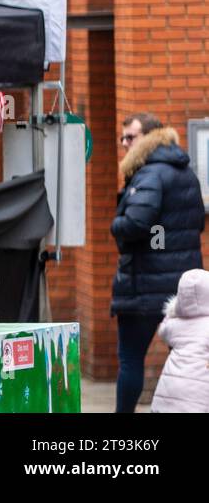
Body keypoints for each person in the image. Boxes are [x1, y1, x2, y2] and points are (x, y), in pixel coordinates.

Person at [111, 113, 205, 412]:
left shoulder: (150, 174)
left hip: (145, 285)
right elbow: (190, 226)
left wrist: (118, 226)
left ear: (150, 137)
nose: (125, 143)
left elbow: (140, 224)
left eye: (131, 137)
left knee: (130, 358)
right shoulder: (185, 170)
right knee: (188, 360)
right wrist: (160, 238)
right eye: (122, 137)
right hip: (180, 290)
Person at [150, 268, 209, 413]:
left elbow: (163, 330)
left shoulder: (175, 324)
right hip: (198, 398)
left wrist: (174, 310)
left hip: (169, 394)